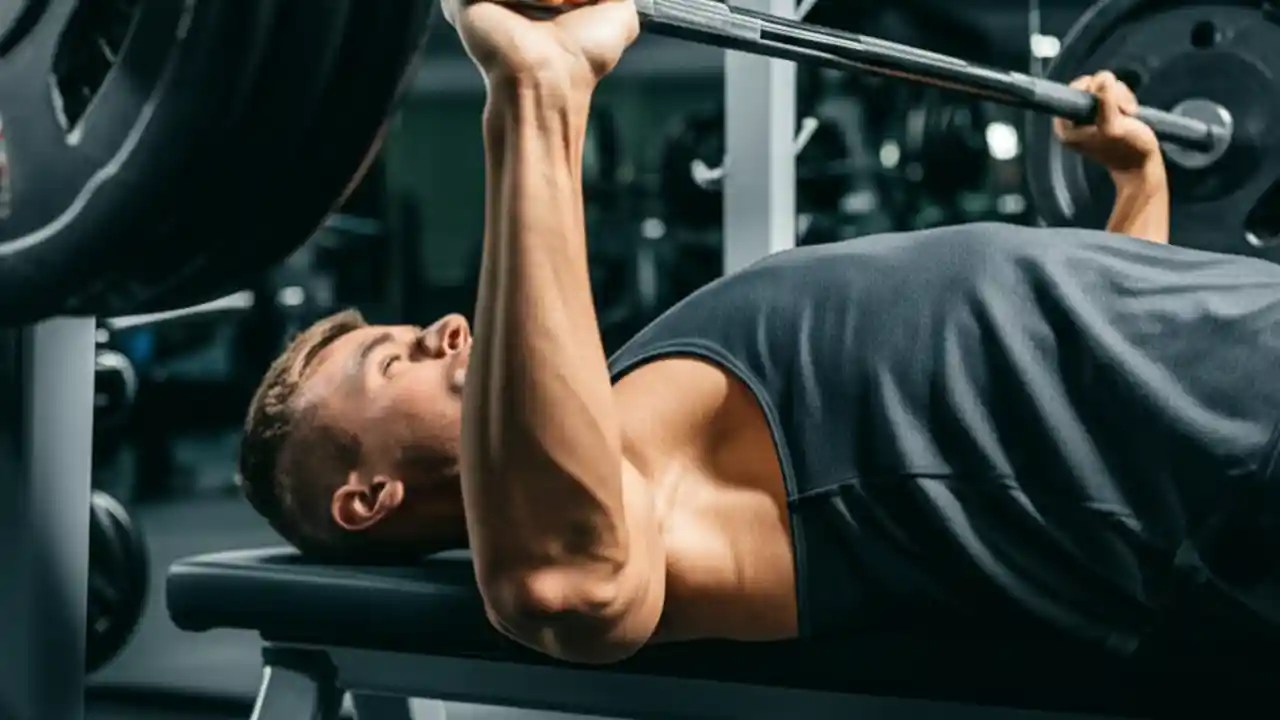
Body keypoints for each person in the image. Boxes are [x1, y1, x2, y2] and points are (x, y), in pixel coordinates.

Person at [237, 0, 1280, 666]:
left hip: (1222, 345)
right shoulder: (646, 480)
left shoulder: (653, 389)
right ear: (366, 496)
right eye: (391, 360)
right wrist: (537, 92)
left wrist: (1135, 185)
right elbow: (568, 580)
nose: (444, 328)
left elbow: (1076, 377)